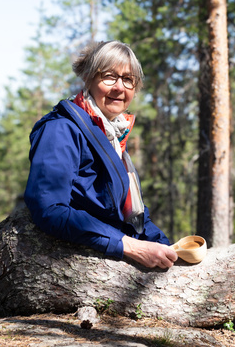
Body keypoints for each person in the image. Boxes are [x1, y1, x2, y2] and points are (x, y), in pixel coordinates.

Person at [24, 41, 178, 269]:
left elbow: (133, 217)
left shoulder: (112, 134)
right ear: (88, 78)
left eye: (128, 79)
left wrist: (166, 247)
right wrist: (131, 247)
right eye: (109, 77)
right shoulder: (61, 129)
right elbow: (49, 210)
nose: (119, 87)